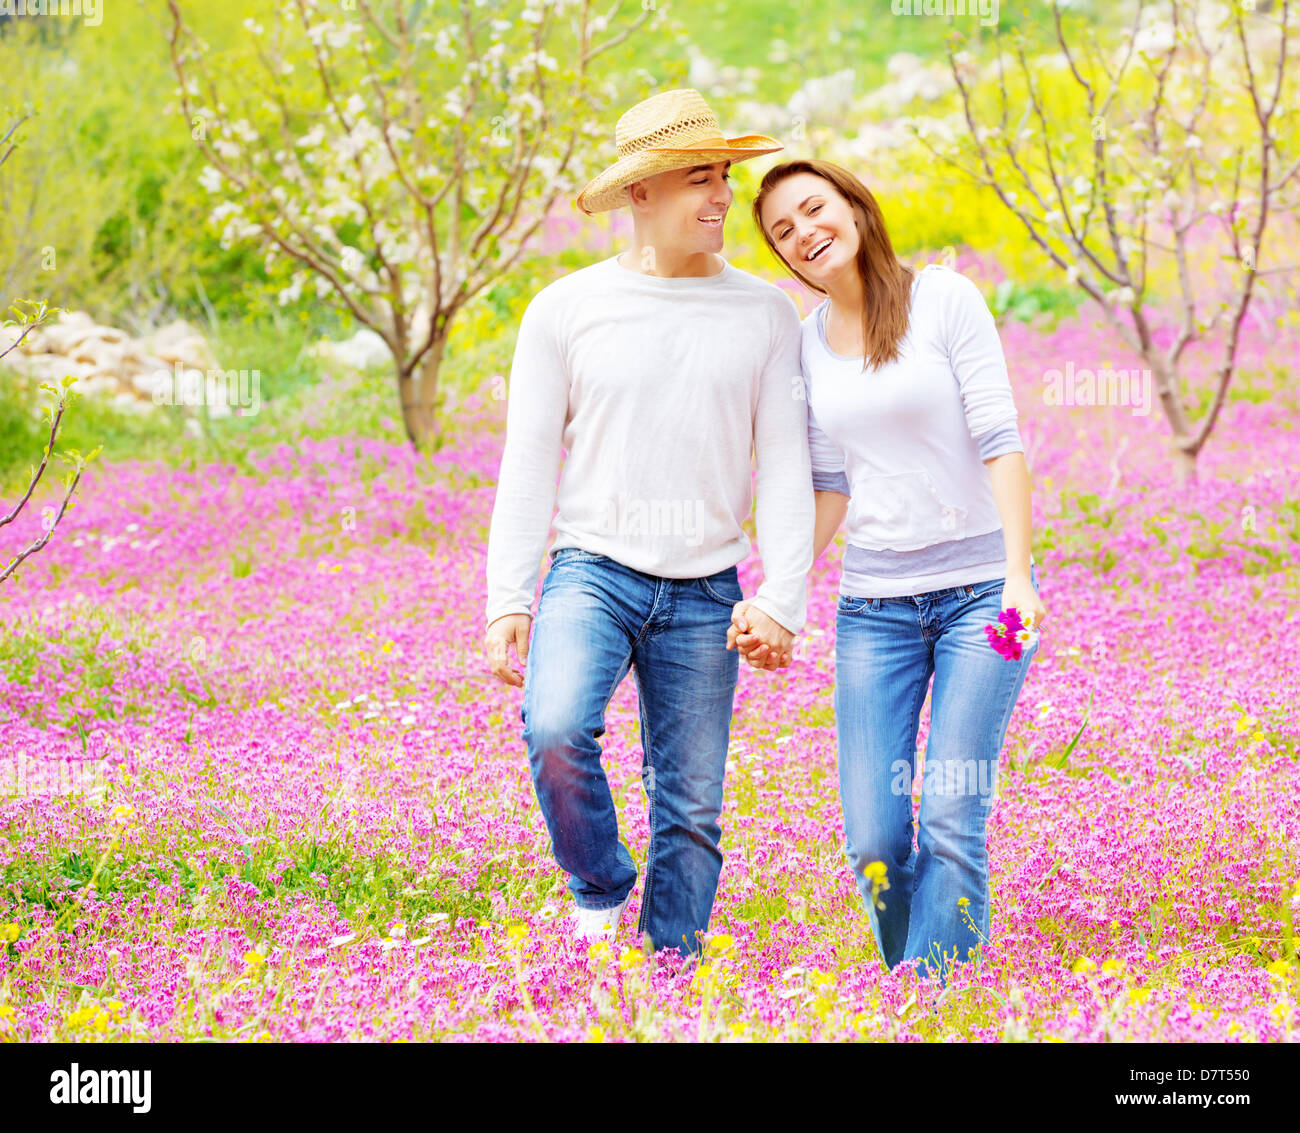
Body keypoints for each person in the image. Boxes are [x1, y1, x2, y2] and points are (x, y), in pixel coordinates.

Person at [484, 90, 813, 960]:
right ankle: (597, 883)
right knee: (554, 726)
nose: (720, 197)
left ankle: (670, 977)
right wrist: (507, 595)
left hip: (709, 587)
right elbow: (528, 461)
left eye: (724, 177)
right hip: (592, 569)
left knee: (691, 807)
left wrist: (784, 596)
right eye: (696, 178)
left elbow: (784, 464)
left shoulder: (767, 314)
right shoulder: (564, 309)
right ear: (640, 194)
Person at [739, 158, 1049, 985]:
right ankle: (923, 972)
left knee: (951, 806)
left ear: (854, 206)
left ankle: (925, 997)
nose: (805, 232)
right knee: (873, 837)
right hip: (874, 609)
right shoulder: (804, 345)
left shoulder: (945, 298)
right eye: (783, 230)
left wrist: (1020, 577)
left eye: (814, 209)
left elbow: (1000, 439)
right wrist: (775, 584)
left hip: (987, 596)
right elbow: (830, 484)